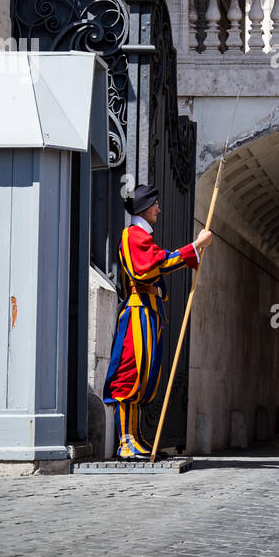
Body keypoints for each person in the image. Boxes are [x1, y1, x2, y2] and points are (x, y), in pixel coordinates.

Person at [102, 183, 213, 459]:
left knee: (146, 378)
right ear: (145, 207)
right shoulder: (133, 235)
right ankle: (126, 442)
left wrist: (193, 251)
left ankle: (136, 438)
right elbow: (150, 267)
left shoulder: (143, 236)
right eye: (155, 205)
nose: (159, 209)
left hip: (150, 313)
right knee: (131, 373)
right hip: (138, 312)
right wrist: (194, 247)